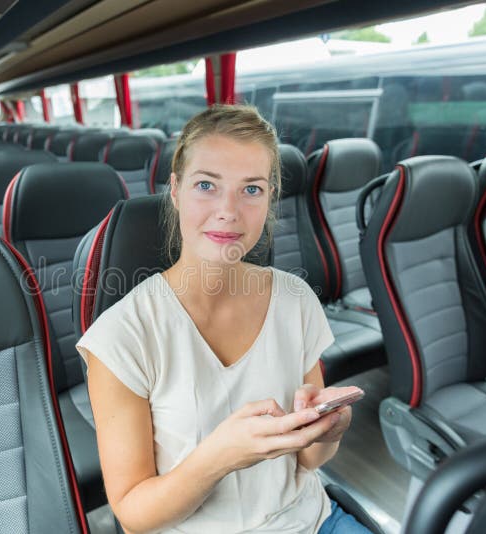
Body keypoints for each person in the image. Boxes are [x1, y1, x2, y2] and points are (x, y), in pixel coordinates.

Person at [76, 105, 369, 534]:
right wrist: (221, 457)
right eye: (206, 185)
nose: (229, 210)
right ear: (175, 191)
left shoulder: (295, 300)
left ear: (270, 198)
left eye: (251, 189)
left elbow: (308, 461)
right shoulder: (122, 335)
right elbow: (134, 515)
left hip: (311, 520)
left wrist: (328, 430)